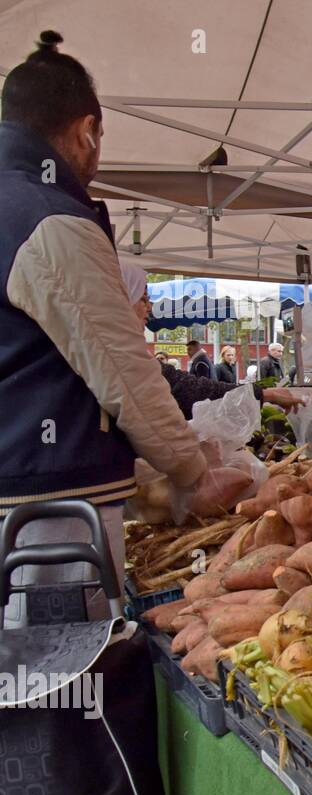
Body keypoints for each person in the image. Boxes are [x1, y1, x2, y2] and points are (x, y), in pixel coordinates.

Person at [1, 30, 210, 628]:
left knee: (19, 683)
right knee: (56, 672)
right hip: (45, 513)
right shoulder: (48, 219)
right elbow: (122, 369)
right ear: (85, 129)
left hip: (21, 490)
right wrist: (190, 472)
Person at [120, 265, 301, 419]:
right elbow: (188, 390)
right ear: (119, 302)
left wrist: (263, 394)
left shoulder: (123, 352)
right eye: (143, 299)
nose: (150, 307)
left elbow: (187, 386)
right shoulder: (121, 356)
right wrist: (264, 394)